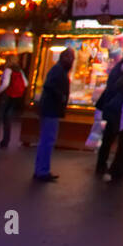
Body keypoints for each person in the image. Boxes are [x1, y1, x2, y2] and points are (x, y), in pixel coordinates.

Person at [94, 49, 123, 174]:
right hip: (115, 110)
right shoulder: (121, 74)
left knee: (119, 138)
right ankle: (107, 165)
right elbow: (116, 91)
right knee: (111, 138)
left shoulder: (119, 70)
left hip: (115, 109)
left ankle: (121, 163)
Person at [34, 47, 73, 182]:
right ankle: (42, 171)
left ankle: (41, 169)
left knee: (46, 140)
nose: (72, 60)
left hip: (50, 108)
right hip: (51, 109)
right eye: (70, 57)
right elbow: (49, 86)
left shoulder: (58, 69)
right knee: (48, 140)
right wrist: (61, 97)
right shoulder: (58, 71)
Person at [0, 55, 28, 149]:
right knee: (7, 120)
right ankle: (5, 142)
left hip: (5, 97)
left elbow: (5, 84)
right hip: (14, 97)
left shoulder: (8, 70)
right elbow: (26, 83)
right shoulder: (19, 71)